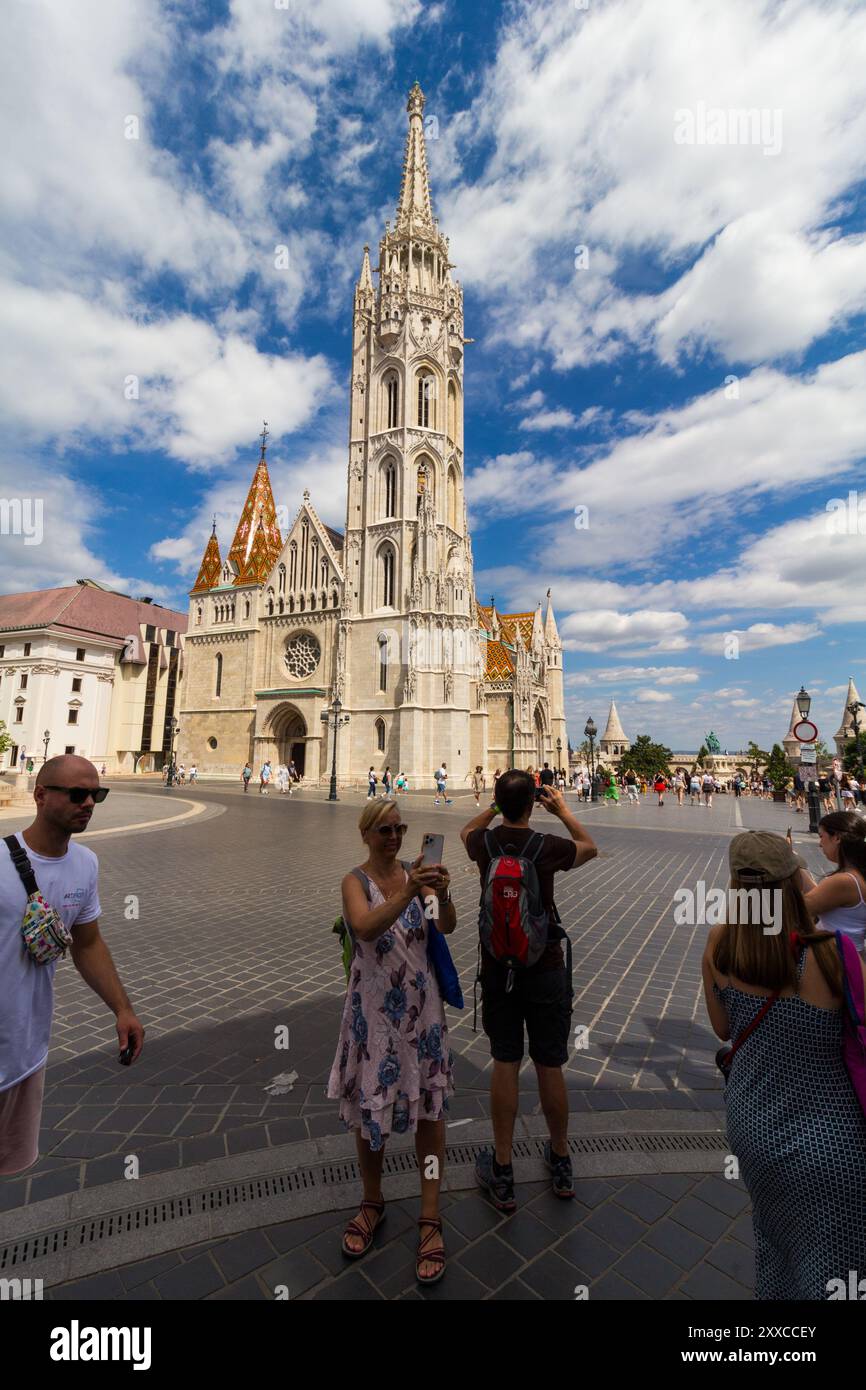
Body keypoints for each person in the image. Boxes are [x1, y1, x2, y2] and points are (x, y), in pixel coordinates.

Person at [702, 830, 866, 1299]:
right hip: (833, 1139)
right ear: (795, 881)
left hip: (753, 1130)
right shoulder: (834, 953)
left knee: (775, 1249)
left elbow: (721, 1027)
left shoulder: (719, 945)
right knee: (838, 1267)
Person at [327, 798, 456, 1283]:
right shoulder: (354, 882)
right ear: (366, 833)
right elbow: (363, 927)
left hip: (421, 1015)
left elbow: (445, 925)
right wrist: (408, 893)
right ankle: (372, 1199)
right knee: (371, 1110)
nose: (395, 837)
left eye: (400, 828)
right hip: (374, 1019)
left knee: (429, 1112)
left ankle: (429, 1214)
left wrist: (441, 894)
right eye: (385, 829)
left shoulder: (415, 873)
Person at [0, 756, 145, 1175]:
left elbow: (88, 944)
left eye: (96, 795)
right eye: (78, 794)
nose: (89, 804)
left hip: (25, 1054)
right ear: (41, 796)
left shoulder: (86, 864)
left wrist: (123, 1009)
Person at [460, 773, 597, 1209]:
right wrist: (563, 811)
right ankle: (560, 1160)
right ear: (534, 805)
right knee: (550, 1063)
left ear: (500, 802)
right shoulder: (547, 846)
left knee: (505, 1060)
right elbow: (590, 848)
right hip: (545, 965)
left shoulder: (485, 845)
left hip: (500, 967)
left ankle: (502, 1168)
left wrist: (496, 809)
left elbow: (466, 831)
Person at [799, 812, 866, 955]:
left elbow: (799, 910)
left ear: (836, 838)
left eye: (821, 836)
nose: (819, 843)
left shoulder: (844, 881)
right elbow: (825, 897)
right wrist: (796, 868)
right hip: (849, 957)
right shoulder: (855, 876)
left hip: (835, 961)